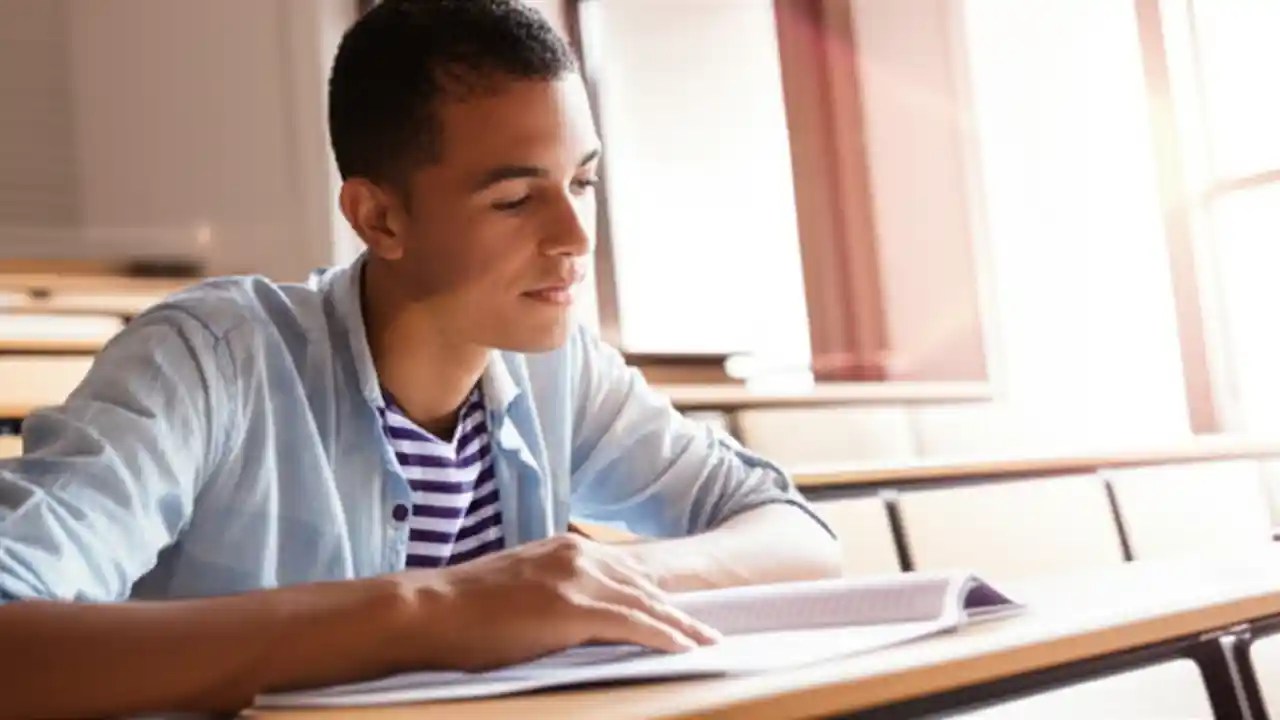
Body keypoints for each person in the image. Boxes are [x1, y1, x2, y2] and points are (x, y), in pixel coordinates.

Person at [0, 1, 840, 717]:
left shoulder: (558, 371)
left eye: (580, 183)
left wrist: (588, 582)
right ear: (379, 219)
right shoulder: (209, 361)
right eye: (515, 199)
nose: (576, 240)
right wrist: (430, 610)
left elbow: (797, 537)